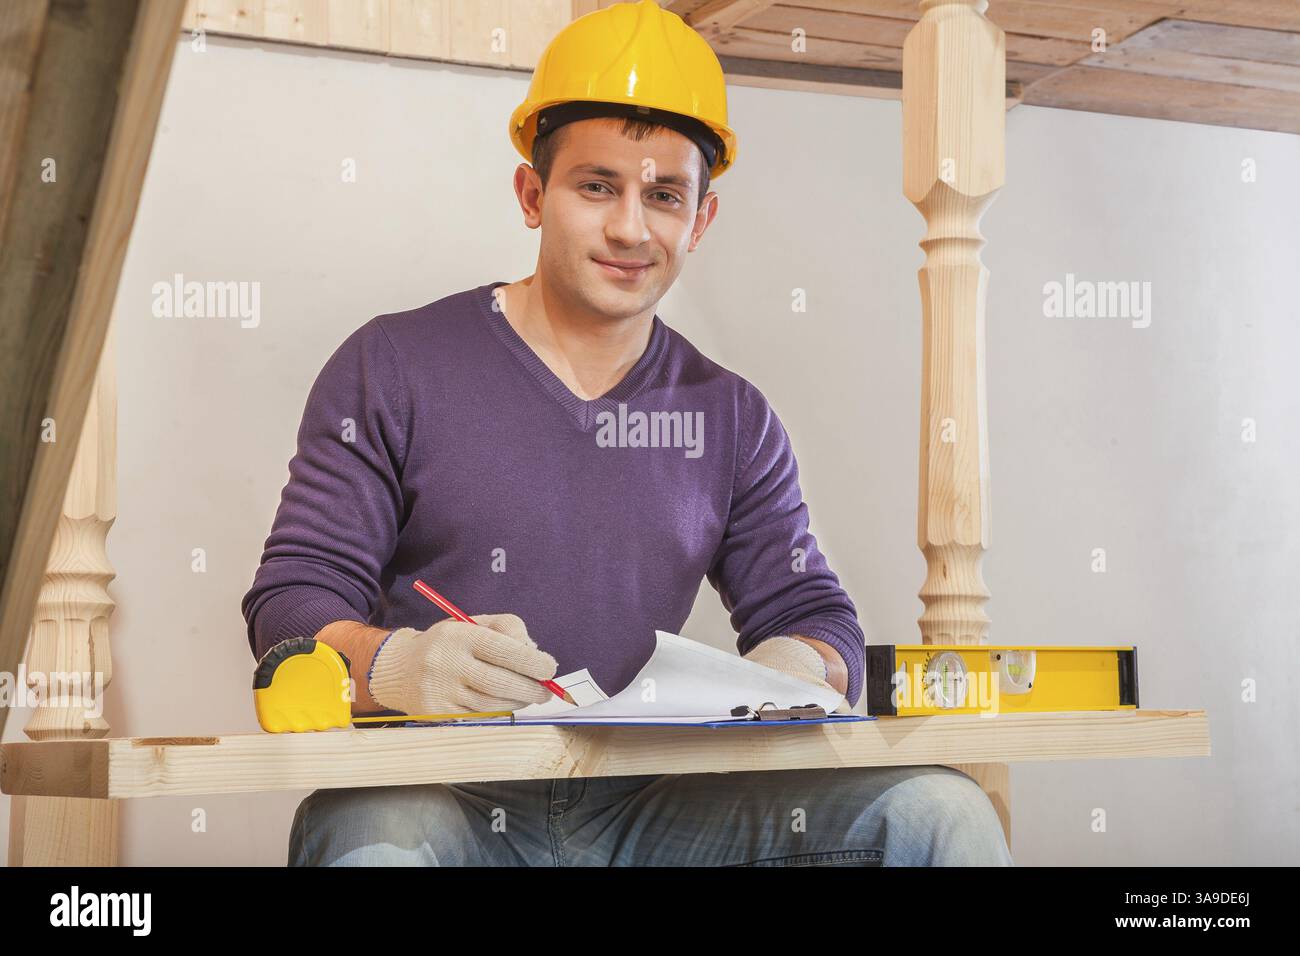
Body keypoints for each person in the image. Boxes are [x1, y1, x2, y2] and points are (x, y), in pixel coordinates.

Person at [242, 0, 1013, 867]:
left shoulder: (731, 417)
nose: (631, 228)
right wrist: (396, 665)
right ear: (533, 194)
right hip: (436, 795)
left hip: (655, 810)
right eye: (597, 185)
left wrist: (799, 669)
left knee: (940, 813)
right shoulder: (393, 365)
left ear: (702, 220)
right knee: (372, 850)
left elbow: (813, 612)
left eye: (664, 196)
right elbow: (292, 603)